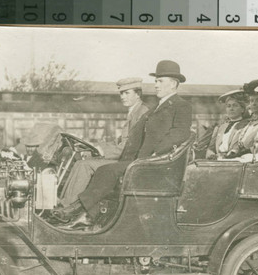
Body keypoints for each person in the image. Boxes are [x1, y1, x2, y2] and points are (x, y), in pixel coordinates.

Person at [55, 60, 192, 230]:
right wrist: (123, 158)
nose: (156, 85)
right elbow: (134, 136)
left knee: (107, 170)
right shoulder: (156, 108)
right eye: (156, 81)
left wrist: (156, 154)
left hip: (157, 165)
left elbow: (179, 133)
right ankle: (83, 213)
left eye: (160, 81)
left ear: (173, 84)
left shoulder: (181, 106)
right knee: (107, 169)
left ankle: (80, 211)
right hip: (142, 161)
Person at [59, 77, 149, 206]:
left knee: (84, 165)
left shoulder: (142, 112)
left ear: (138, 94)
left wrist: (101, 151)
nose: (122, 97)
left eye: (127, 93)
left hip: (128, 160)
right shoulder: (135, 111)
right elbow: (120, 140)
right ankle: (64, 201)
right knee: (80, 162)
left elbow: (129, 145)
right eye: (121, 93)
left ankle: (67, 206)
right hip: (124, 157)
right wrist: (95, 146)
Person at [228, 86, 258, 157]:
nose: (254, 103)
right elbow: (239, 144)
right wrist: (233, 152)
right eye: (251, 100)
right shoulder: (248, 123)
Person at [206, 90, 248, 159]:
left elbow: (240, 148)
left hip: (234, 160)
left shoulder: (246, 126)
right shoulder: (220, 127)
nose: (231, 109)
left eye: (235, 106)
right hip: (217, 160)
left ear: (242, 109)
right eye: (228, 106)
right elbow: (211, 148)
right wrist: (212, 156)